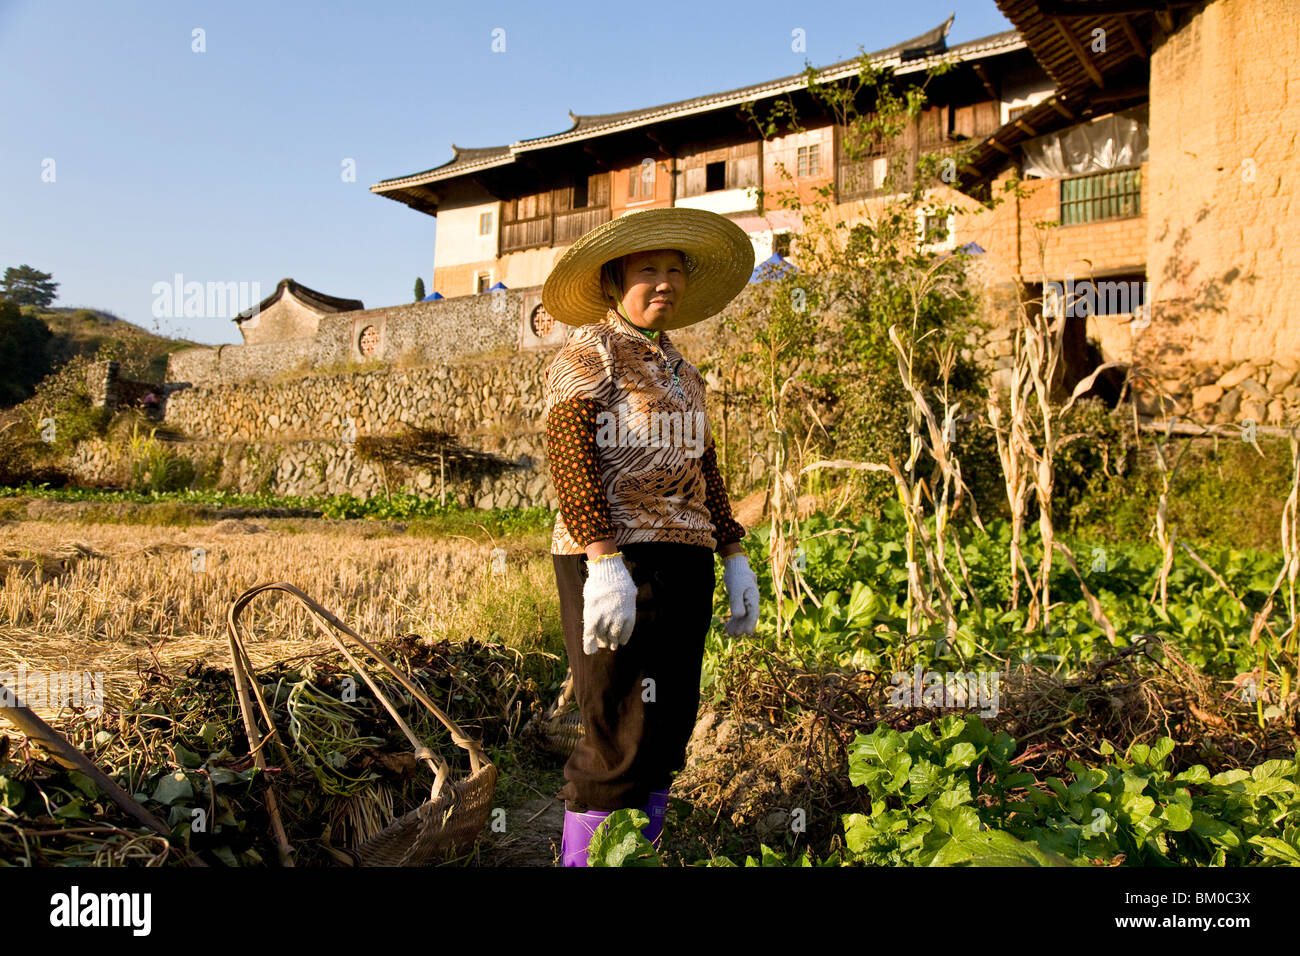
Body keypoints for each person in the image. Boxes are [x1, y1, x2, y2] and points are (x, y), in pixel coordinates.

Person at [540, 206, 762, 866]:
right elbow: (570, 453)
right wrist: (602, 559)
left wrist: (734, 553)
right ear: (613, 282)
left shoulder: (683, 371)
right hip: (618, 559)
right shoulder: (590, 354)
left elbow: (705, 466)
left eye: (674, 271)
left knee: (666, 728)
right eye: (648, 271)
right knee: (617, 726)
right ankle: (587, 862)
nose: (664, 283)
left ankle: (636, 854)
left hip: (685, 560)